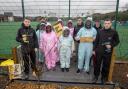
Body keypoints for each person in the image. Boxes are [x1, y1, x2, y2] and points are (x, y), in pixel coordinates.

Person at [92, 18, 120, 84]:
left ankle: (104, 77)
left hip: (108, 52)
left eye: (108, 23)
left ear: (111, 24)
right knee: (97, 65)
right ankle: (96, 76)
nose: (107, 25)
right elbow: (96, 41)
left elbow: (117, 41)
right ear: (104, 24)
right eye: (105, 23)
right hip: (99, 51)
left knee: (106, 65)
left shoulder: (114, 32)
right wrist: (93, 50)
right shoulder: (100, 31)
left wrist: (111, 45)